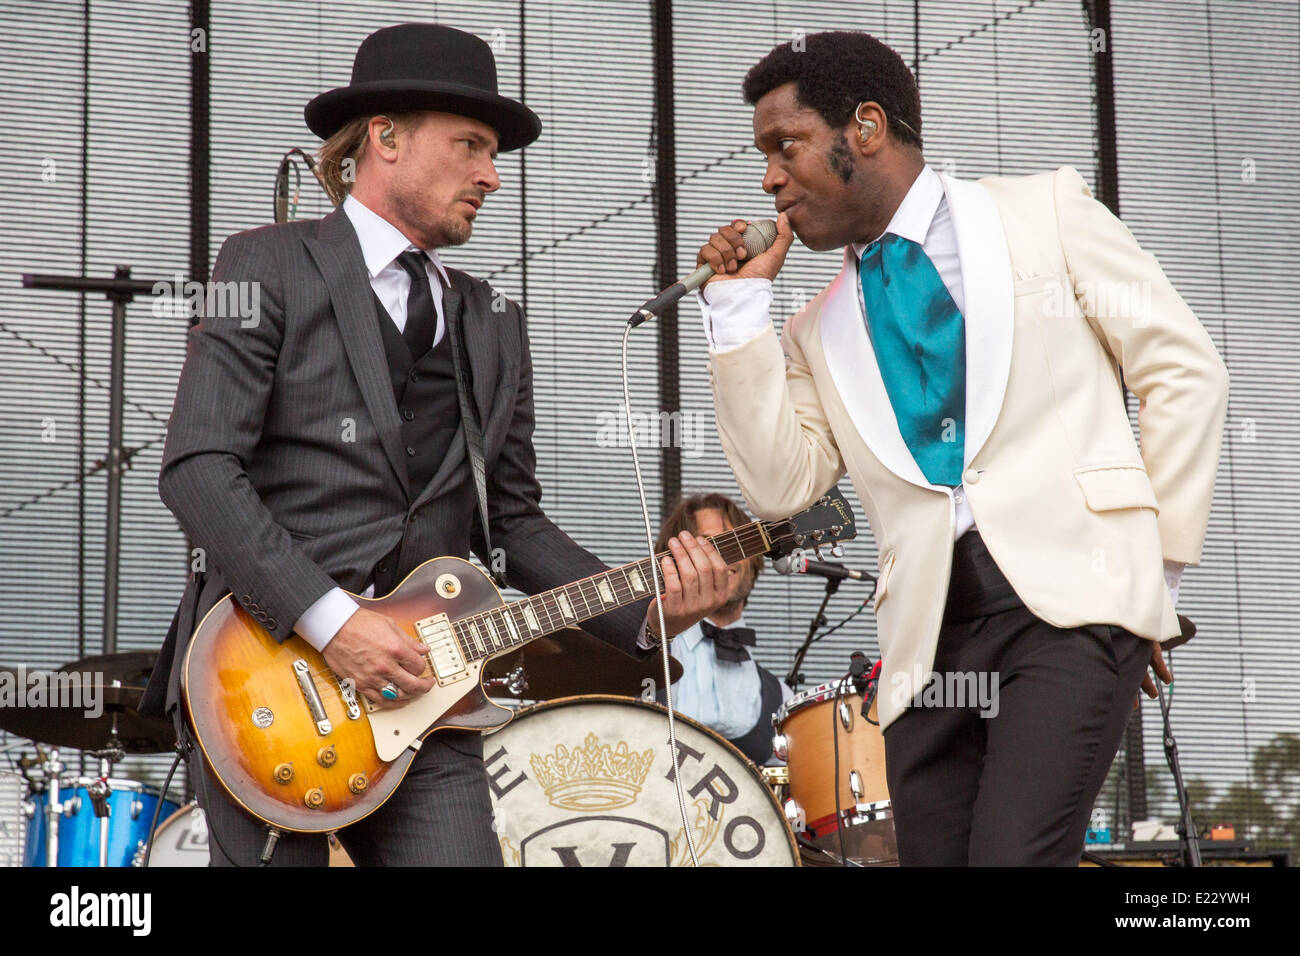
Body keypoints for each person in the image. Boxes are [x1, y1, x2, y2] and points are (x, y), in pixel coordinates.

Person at [140, 23, 727, 867]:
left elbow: (514, 522)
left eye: (492, 154)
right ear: (383, 137)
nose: (492, 175)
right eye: (470, 146)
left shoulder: (493, 322)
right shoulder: (262, 265)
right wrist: (334, 620)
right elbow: (197, 469)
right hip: (265, 684)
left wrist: (646, 610)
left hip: (433, 695)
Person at [692, 31, 1228, 865]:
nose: (768, 177)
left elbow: (1186, 372)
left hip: (1068, 615)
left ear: (864, 127)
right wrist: (735, 311)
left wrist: (1148, 580)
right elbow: (779, 484)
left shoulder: (1042, 212)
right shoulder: (814, 329)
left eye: (784, 145)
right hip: (928, 648)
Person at [653, 493, 790, 765]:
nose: (725, 558)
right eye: (711, 545)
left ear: (754, 559)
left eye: (738, 544)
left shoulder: (783, 699)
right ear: (674, 562)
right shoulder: (638, 661)